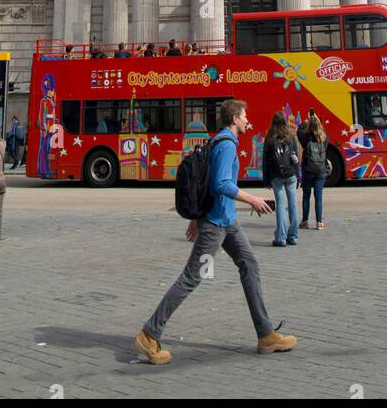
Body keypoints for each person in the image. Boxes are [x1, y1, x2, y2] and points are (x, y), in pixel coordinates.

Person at [134, 99, 297, 364]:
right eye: (244, 116)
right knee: (192, 277)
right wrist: (252, 199)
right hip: (216, 224)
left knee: (249, 264)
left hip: (226, 221)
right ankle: (149, 334)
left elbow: (206, 181)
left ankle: (266, 334)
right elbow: (220, 184)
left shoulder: (219, 140)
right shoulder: (227, 145)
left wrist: (197, 216)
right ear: (234, 119)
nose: (248, 120)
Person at [262, 111, 300, 247]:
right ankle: (293, 236)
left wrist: (266, 180)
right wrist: (298, 175)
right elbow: (296, 158)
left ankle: (281, 238)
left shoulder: (269, 138)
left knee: (280, 205)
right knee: (293, 204)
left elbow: (265, 161)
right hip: (291, 175)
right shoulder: (291, 136)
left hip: (276, 176)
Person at [297, 111, 328, 230]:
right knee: (318, 196)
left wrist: (306, 122)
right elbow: (322, 131)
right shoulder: (324, 138)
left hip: (307, 169)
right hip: (321, 170)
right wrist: (317, 121)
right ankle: (319, 222)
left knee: (306, 195)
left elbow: (299, 131)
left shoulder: (305, 138)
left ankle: (305, 222)